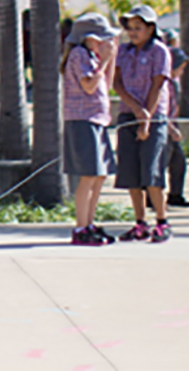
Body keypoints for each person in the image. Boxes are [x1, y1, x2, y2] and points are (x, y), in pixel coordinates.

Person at [112, 5, 173, 243]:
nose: (133, 32)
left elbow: (157, 85)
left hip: (154, 117)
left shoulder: (160, 52)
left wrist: (146, 116)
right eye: (130, 28)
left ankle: (161, 220)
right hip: (129, 114)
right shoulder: (123, 52)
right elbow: (117, 84)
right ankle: (139, 222)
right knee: (131, 172)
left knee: (152, 172)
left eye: (139, 27)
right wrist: (136, 110)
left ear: (150, 29)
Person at [63, 14, 121, 245]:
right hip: (82, 119)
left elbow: (103, 85)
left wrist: (110, 60)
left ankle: (89, 222)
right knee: (88, 176)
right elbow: (88, 85)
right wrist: (105, 61)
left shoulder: (91, 57)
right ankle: (80, 227)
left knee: (99, 174)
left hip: (97, 119)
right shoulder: (78, 55)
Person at [161, 29, 189, 209]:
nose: (182, 72)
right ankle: (150, 195)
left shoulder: (172, 84)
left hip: (172, 126)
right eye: (180, 68)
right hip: (164, 127)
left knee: (178, 161)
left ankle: (175, 194)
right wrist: (170, 128)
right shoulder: (163, 84)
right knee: (161, 163)